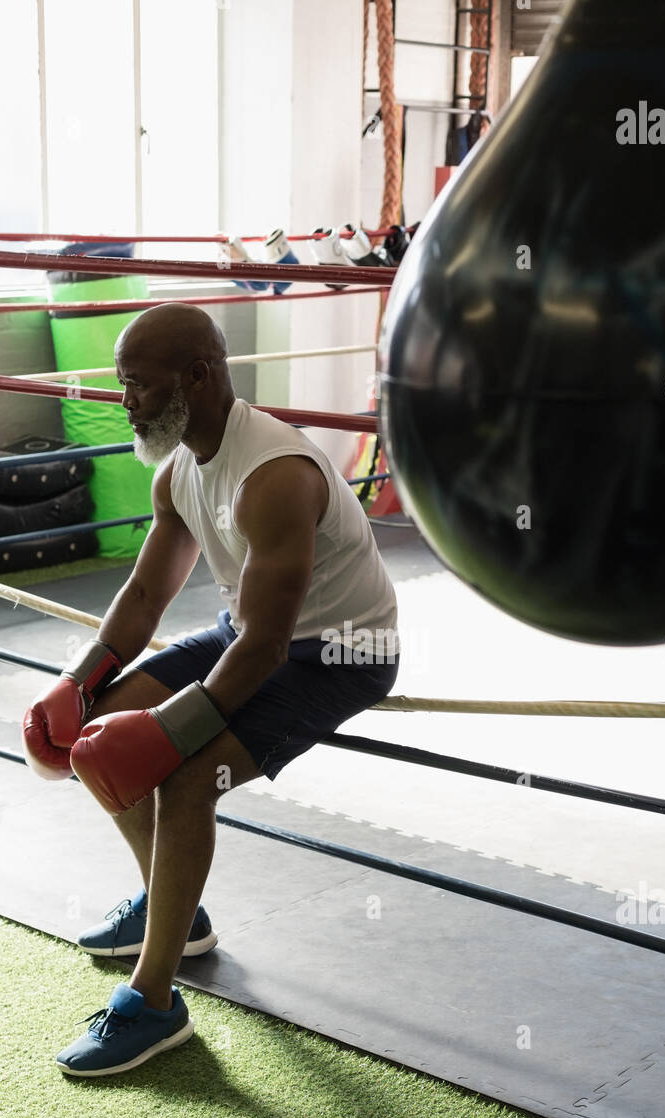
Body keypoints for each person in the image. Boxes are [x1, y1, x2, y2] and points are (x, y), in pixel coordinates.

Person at [22, 302, 400, 1077]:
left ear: (196, 377)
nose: (122, 400)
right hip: (253, 631)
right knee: (102, 730)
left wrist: (170, 731)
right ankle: (175, 915)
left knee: (185, 779)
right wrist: (81, 680)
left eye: (135, 384)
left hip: (339, 651)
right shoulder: (180, 472)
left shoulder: (274, 477)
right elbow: (145, 596)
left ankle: (154, 1002)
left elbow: (266, 645)